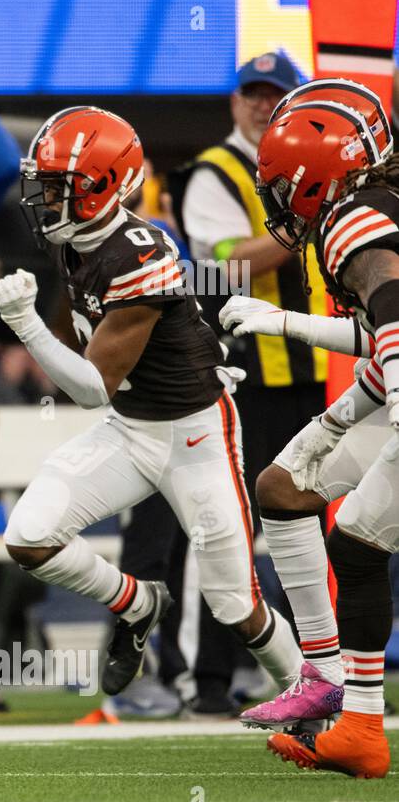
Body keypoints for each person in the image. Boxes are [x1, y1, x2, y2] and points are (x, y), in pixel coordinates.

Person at [0, 106, 303, 707]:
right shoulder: (75, 239)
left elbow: (90, 387)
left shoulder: (140, 252)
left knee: (235, 603)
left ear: (102, 188)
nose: (43, 199)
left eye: (58, 187)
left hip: (194, 435)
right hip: (129, 430)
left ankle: (313, 697)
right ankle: (138, 602)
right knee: (29, 537)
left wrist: (25, 325)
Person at [219, 86, 396, 778]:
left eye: (281, 187)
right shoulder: (371, 208)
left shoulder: (355, 219)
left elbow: (393, 312)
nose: (279, 203)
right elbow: (384, 334)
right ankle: (323, 680)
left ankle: (360, 728)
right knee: (284, 485)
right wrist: (336, 415)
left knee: (354, 541)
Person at [171, 53, 323, 713]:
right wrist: (301, 225)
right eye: (251, 94)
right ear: (234, 103)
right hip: (249, 372)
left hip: (325, 369)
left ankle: (332, 670)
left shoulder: (316, 162)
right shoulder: (217, 170)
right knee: (229, 526)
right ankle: (208, 679)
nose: (262, 105)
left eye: (274, 95)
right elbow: (221, 263)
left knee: (326, 524)